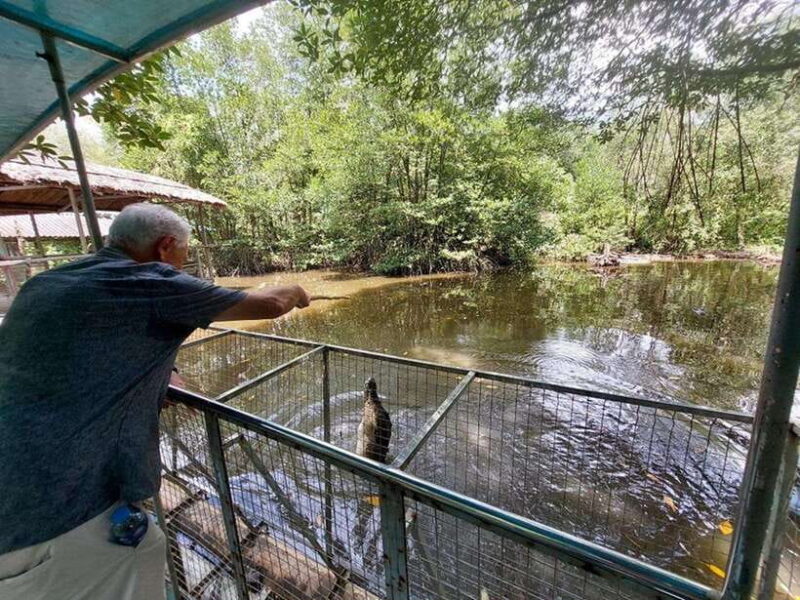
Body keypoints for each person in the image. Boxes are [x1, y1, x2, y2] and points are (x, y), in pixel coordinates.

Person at [0, 203, 310, 600]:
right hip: (54, 512)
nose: (182, 263)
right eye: (183, 253)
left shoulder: (46, 283)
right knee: (138, 563)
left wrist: (165, 372)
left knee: (148, 547)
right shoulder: (150, 281)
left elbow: (87, 350)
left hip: (14, 491)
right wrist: (297, 290)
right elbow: (269, 304)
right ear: (165, 246)